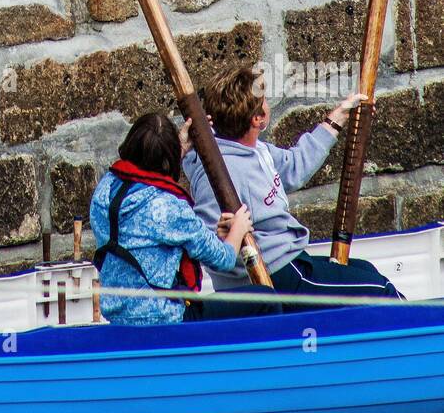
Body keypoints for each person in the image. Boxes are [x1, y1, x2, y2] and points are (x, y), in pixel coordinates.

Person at [185, 65, 402, 300]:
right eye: (265, 100)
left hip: (288, 263)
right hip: (273, 278)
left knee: (366, 269)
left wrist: (338, 116)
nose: (268, 103)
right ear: (258, 119)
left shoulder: (254, 149)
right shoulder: (217, 172)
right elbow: (209, 244)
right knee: (382, 290)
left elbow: (293, 167)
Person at [90, 111, 260, 326]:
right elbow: (223, 259)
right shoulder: (168, 208)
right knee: (266, 301)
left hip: (118, 316)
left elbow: (145, 176)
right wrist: (239, 228)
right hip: (164, 320)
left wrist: (174, 147)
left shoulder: (105, 190)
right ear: (166, 160)